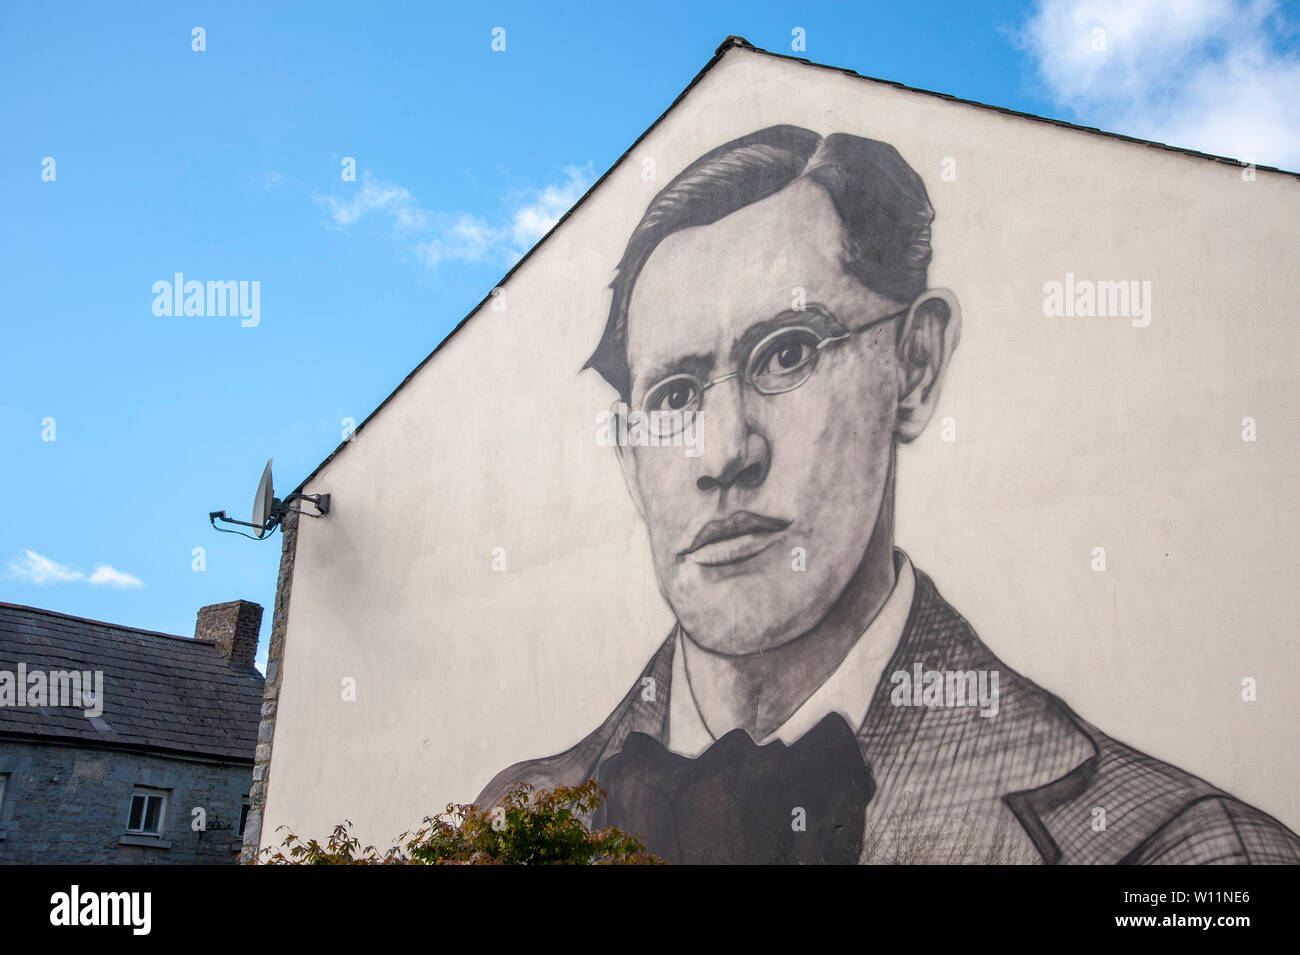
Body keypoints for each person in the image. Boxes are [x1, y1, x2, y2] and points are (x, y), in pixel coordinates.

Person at [477, 125, 1300, 864]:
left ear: (915, 364)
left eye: (788, 353)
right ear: (630, 459)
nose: (724, 452)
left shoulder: (1187, 853)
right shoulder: (510, 822)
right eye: (675, 397)